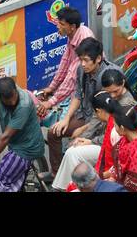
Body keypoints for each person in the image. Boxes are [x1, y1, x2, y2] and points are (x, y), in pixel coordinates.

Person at [45, 38, 121, 171]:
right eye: (80, 60)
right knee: (53, 132)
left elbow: (102, 116)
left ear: (98, 59)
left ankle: (75, 178)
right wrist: (66, 119)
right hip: (85, 115)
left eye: (86, 60)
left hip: (102, 122)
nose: (83, 64)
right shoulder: (82, 70)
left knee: (73, 146)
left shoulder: (107, 77)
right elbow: (78, 94)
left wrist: (82, 131)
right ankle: (56, 172)